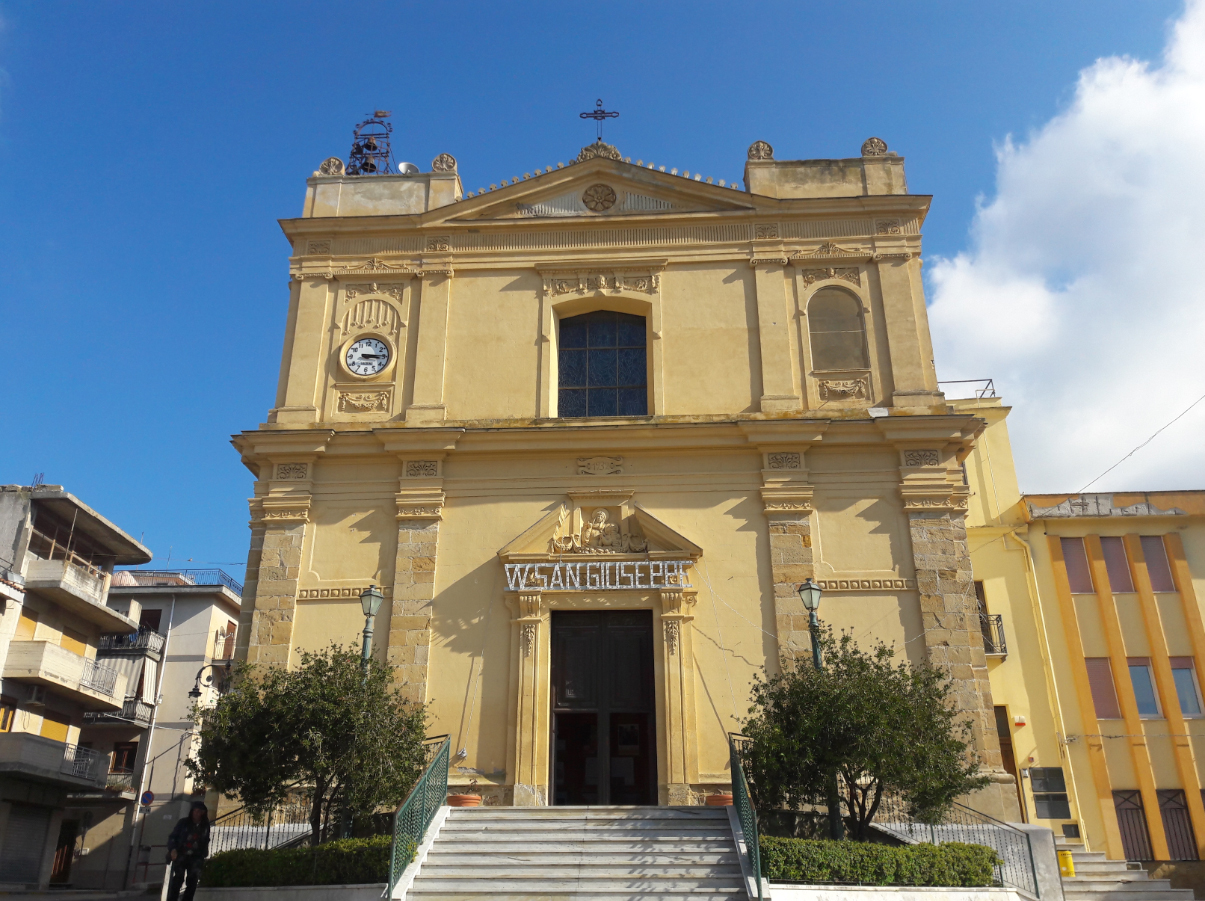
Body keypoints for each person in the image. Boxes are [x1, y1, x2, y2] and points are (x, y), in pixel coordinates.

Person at [165, 801, 210, 901]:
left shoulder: (205, 825)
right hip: (181, 854)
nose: (197, 813)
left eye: (200, 811)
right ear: (192, 811)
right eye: (195, 811)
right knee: (178, 879)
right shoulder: (183, 823)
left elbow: (205, 840)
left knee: (193, 881)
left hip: (196, 856)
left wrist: (203, 853)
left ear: (203, 813)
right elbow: (173, 836)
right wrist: (173, 849)